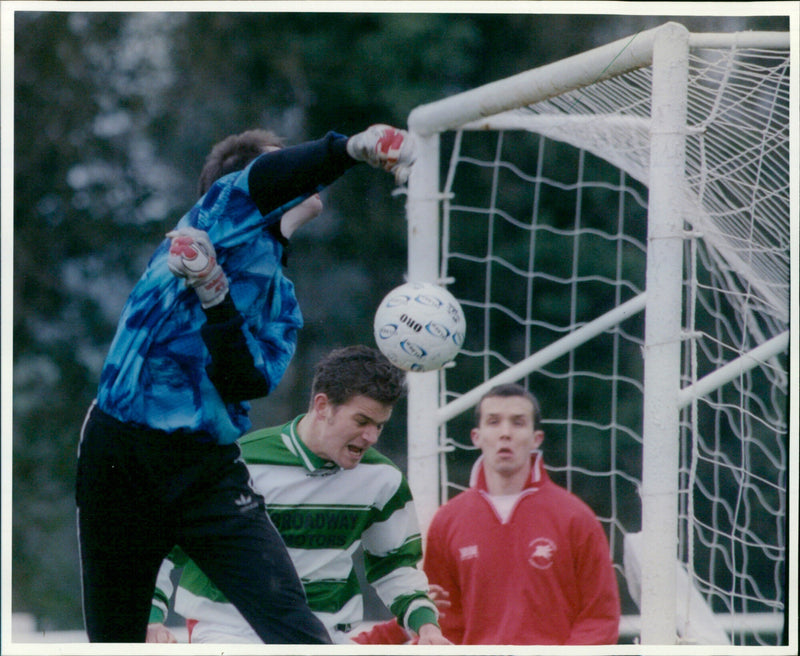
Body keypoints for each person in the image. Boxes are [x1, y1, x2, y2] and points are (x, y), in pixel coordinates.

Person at [75, 125, 416, 643]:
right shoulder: (216, 218)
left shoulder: (282, 302)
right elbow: (273, 176)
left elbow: (245, 381)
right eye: (285, 162)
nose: (300, 172)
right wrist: (351, 148)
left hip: (206, 468)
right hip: (123, 454)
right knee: (115, 640)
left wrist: (216, 296)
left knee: (291, 622)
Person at [144, 345, 451, 645]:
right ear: (322, 406)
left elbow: (395, 566)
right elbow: (165, 546)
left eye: (379, 426)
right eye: (361, 421)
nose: (370, 436)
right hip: (230, 631)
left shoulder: (383, 479)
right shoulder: (239, 464)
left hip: (325, 634)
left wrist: (427, 628)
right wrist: (152, 618)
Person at [422, 383, 621, 645]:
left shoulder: (575, 517)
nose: (505, 433)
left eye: (518, 423)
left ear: (536, 438)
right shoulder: (447, 520)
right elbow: (443, 623)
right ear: (476, 436)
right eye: (493, 422)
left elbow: (600, 618)